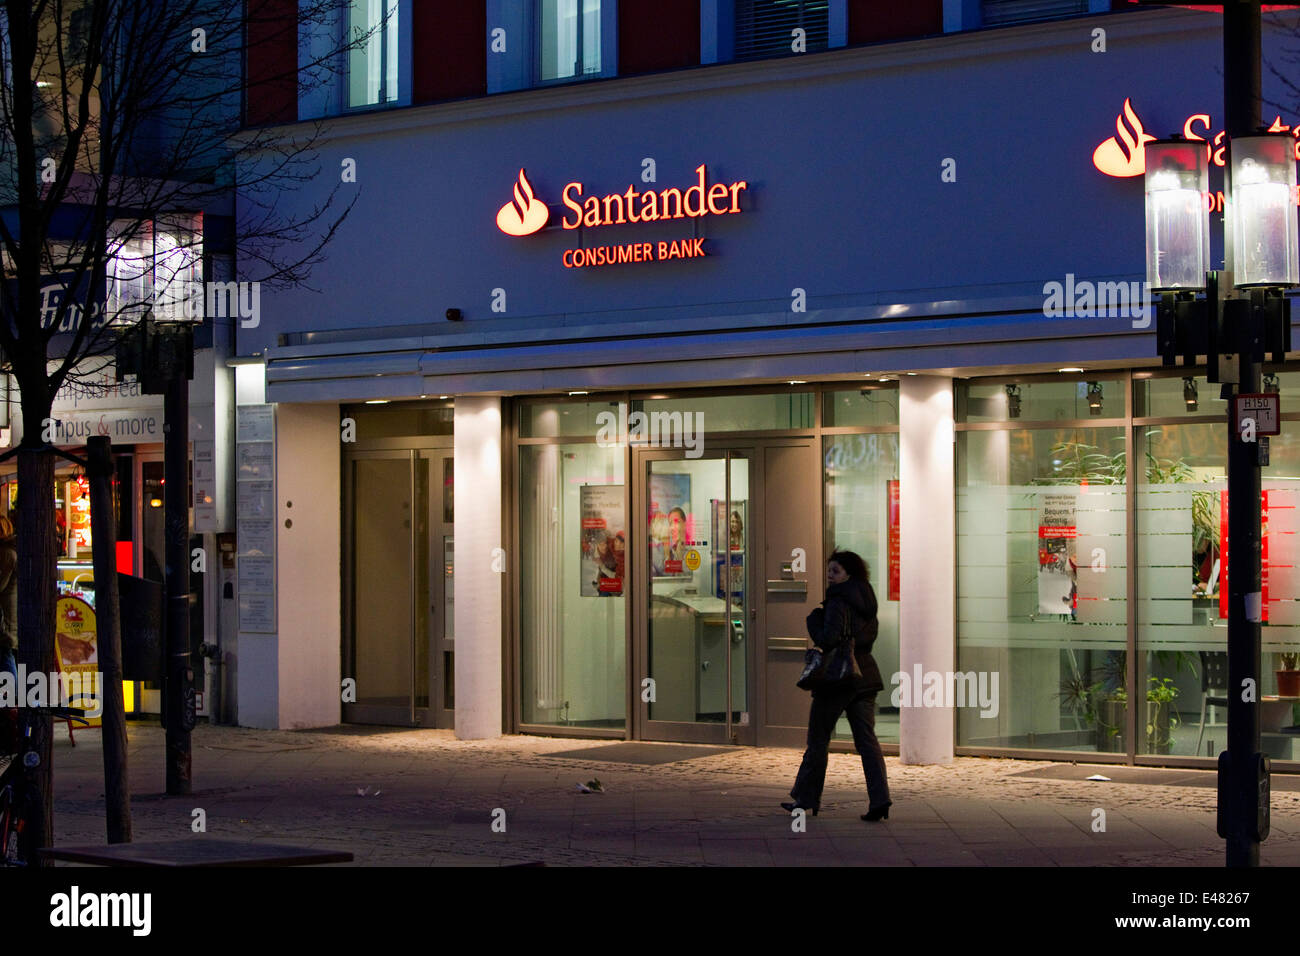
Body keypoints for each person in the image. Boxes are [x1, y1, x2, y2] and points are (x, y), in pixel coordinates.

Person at [783, 550, 891, 821]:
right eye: (829, 570)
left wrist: (814, 622)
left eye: (835, 571)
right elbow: (866, 639)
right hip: (865, 677)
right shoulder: (868, 601)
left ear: (848, 574)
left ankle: (805, 799)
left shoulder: (838, 600)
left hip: (837, 680)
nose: (830, 576)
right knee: (867, 742)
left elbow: (829, 639)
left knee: (818, 739)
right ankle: (880, 799)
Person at [0, 514, 16, 679]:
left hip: (5, 613)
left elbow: (1, 584)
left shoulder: (6, 553)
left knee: (6, 653)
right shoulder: (10, 551)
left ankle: (13, 696)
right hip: (8, 611)